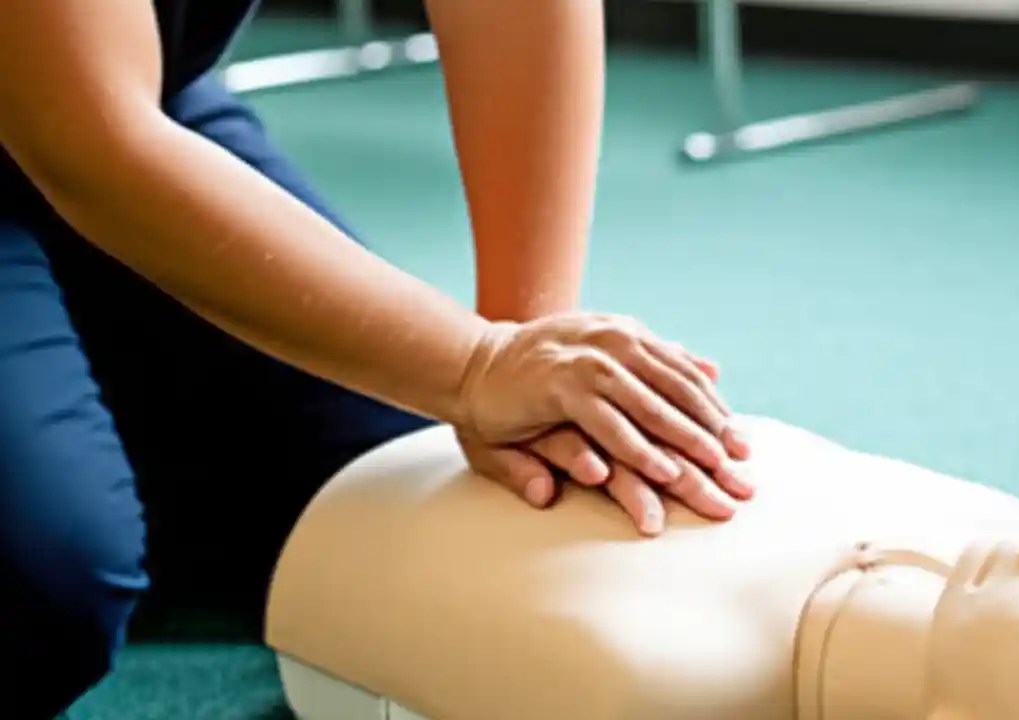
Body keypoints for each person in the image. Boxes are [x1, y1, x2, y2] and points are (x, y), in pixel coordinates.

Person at [0, 1, 753, 716]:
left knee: (400, 506)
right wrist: (475, 366)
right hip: (83, 110)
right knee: (43, 595)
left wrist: (531, 342)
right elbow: (83, 132)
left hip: (133, 80)